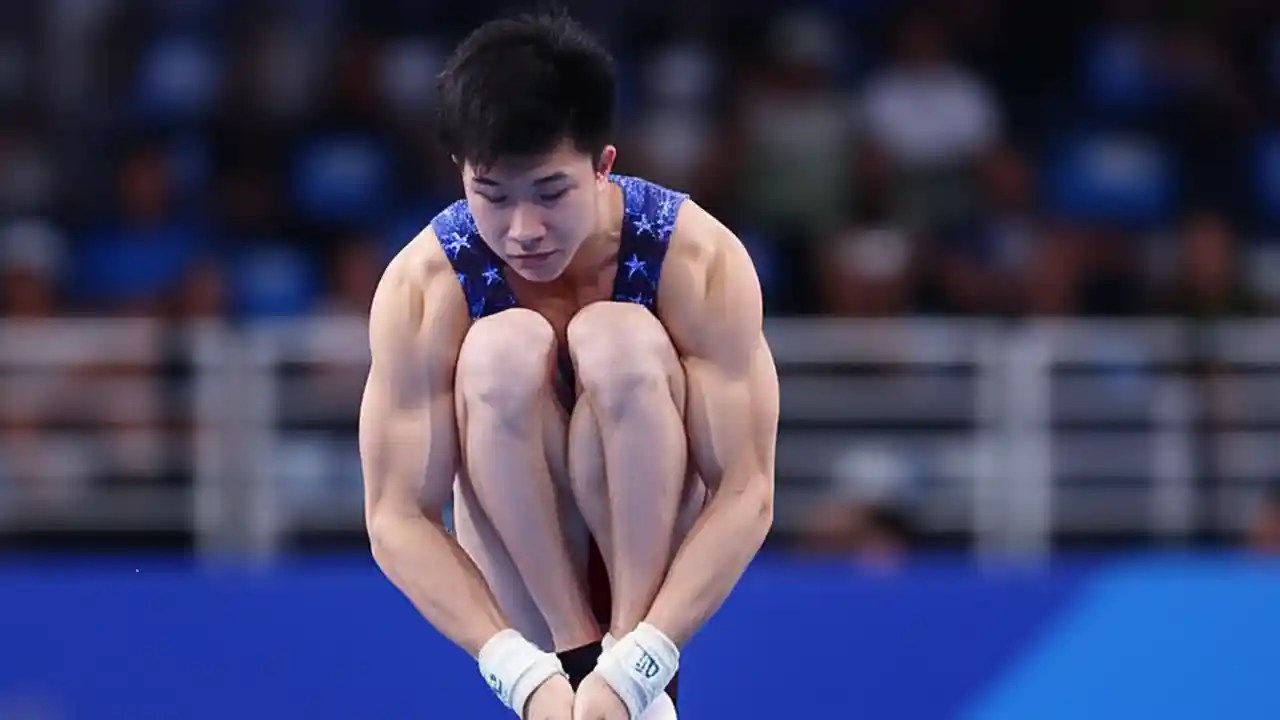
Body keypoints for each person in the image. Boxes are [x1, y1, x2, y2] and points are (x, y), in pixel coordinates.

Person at [359, 11, 779, 720]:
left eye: (551, 194)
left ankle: (621, 661)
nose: (523, 231)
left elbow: (747, 489)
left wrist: (643, 661)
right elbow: (395, 516)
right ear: (460, 172)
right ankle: (576, 650)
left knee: (619, 339)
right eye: (491, 196)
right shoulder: (422, 286)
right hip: (524, 583)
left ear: (603, 163)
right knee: (498, 351)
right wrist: (521, 673)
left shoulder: (695, 259)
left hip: (652, 567)